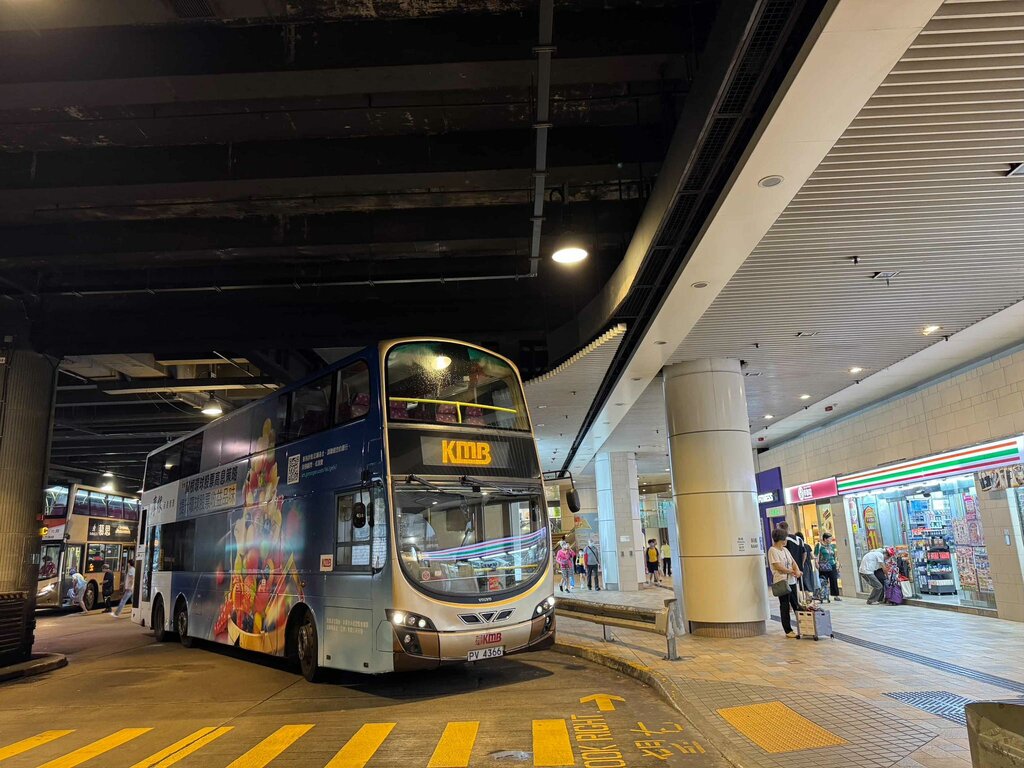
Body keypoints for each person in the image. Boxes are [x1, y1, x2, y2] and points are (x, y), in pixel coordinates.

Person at [768, 528, 801, 638]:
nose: (786, 540)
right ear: (781, 540)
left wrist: (796, 570)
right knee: (785, 606)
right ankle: (788, 630)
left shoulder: (785, 550)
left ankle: (804, 626)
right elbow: (778, 566)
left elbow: (793, 562)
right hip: (781, 582)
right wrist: (791, 571)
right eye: (785, 538)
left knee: (796, 604)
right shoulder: (772, 550)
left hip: (791, 581)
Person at [814, 532, 841, 602]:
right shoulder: (819, 545)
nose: (831, 540)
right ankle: (822, 595)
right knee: (823, 581)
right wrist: (816, 564)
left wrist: (837, 564)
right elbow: (816, 556)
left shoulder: (832, 546)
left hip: (832, 565)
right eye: (830, 539)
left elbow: (834, 555)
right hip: (823, 566)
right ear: (825, 539)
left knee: (834, 580)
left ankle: (836, 595)